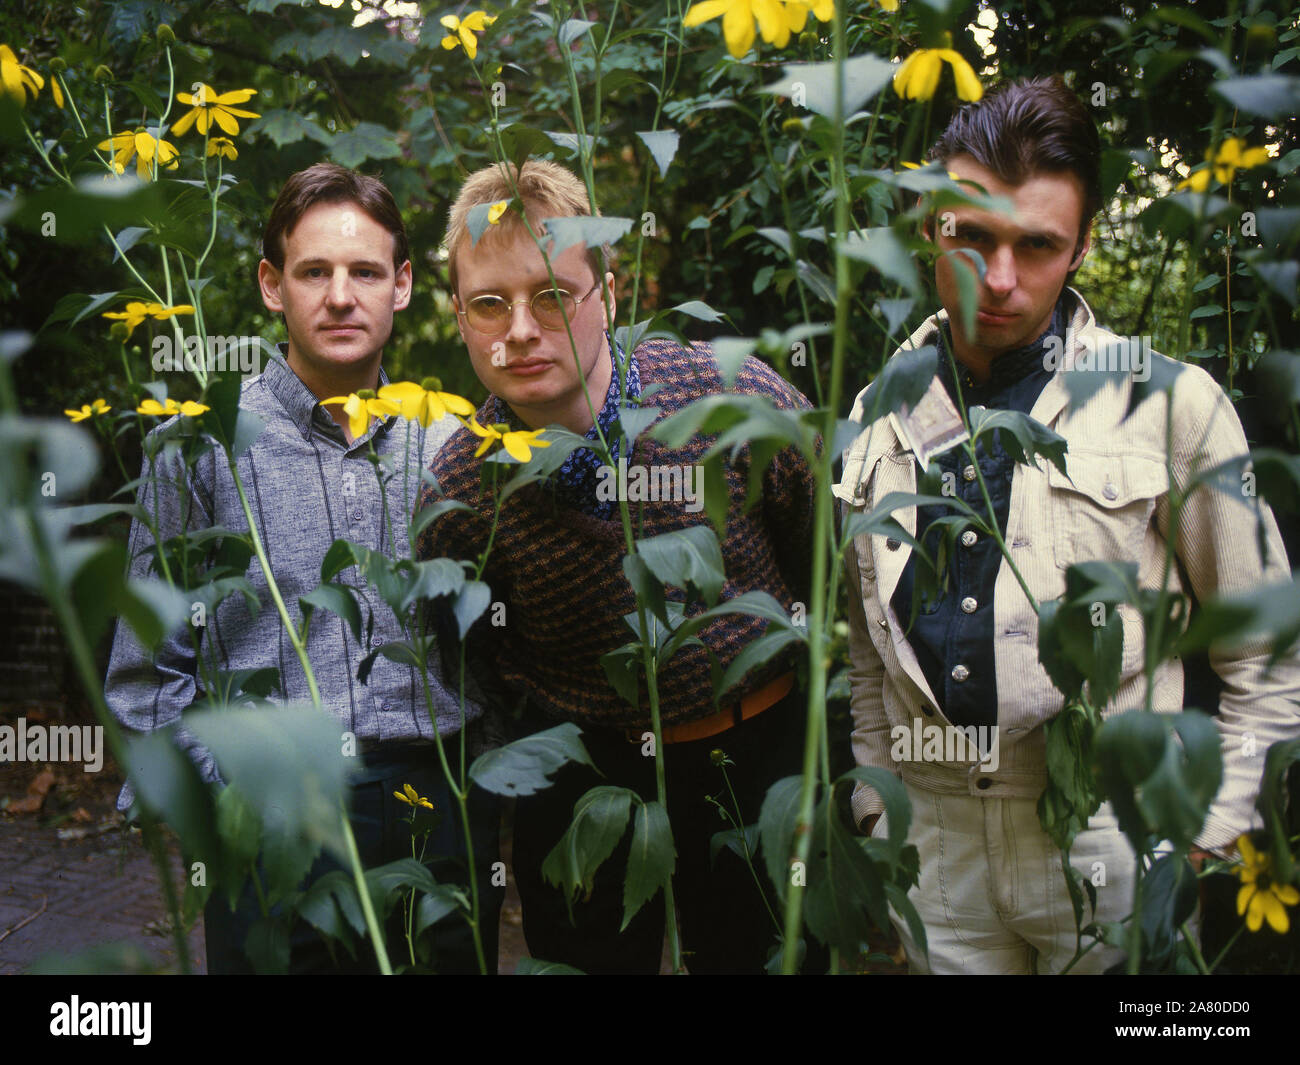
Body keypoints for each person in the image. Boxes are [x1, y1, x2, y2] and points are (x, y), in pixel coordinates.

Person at [839, 75, 1300, 974]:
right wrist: (875, 806)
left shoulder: (1167, 403)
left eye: (1037, 246)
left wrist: (1209, 827)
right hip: (936, 849)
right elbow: (865, 653)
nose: (1000, 280)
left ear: (1084, 245)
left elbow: (1267, 645)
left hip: (1114, 826)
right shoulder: (871, 414)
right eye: (971, 237)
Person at [415, 159, 819, 974]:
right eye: (490, 304)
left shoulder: (728, 395)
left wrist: (832, 757)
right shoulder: (460, 485)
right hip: (583, 782)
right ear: (458, 314)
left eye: (553, 295)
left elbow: (830, 565)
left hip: (757, 752)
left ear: (608, 287)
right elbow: (478, 657)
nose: (521, 330)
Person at [103, 162, 502, 974]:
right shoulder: (198, 445)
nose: (340, 295)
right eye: (313, 271)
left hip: (442, 813)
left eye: (363, 271)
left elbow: (499, 640)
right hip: (271, 816)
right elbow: (146, 676)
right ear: (271, 285)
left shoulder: (454, 446)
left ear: (401, 284)